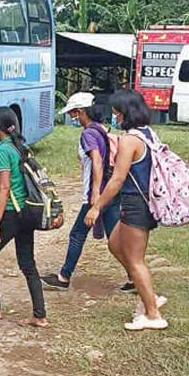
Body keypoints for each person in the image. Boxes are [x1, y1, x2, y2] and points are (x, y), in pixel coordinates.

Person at [85, 91, 168, 331]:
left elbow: (117, 179)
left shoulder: (129, 140)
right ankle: (150, 296)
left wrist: (97, 206)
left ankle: (153, 314)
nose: (114, 116)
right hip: (141, 202)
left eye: (116, 112)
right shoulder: (148, 134)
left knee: (135, 261)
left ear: (124, 113)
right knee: (114, 244)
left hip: (135, 204)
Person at [0, 107, 54, 328]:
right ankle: (39, 315)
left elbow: (5, 187)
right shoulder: (22, 147)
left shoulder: (4, 151)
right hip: (27, 212)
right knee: (27, 263)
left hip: (11, 215)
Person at [41, 92, 126, 292]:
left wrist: (95, 197)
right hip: (111, 192)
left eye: (73, 114)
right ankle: (134, 275)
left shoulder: (88, 133)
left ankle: (64, 277)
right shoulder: (101, 130)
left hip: (97, 194)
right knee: (114, 239)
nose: (73, 118)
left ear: (81, 112)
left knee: (77, 234)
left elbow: (96, 162)